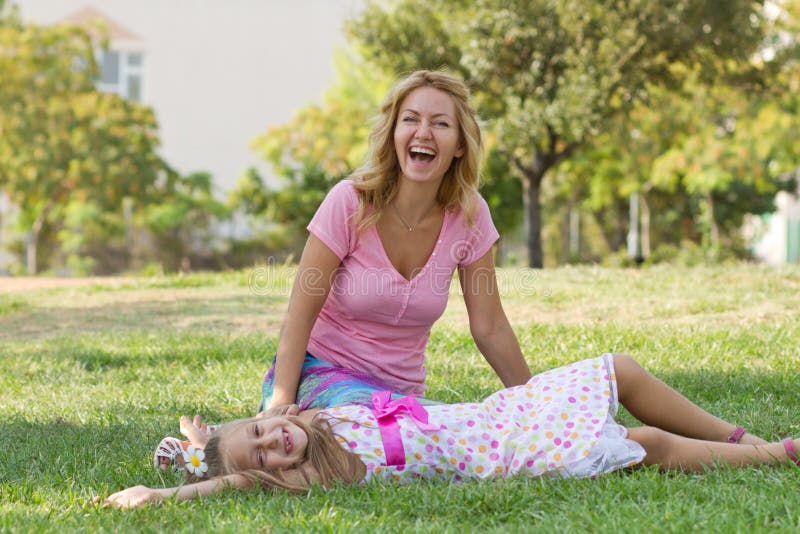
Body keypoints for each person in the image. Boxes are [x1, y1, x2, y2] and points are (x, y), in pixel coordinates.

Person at [102, 353, 800, 509]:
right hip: (509, 452)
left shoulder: (321, 416)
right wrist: (169, 493)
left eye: (262, 428)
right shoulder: (325, 472)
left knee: (620, 369)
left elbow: (235, 441)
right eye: (263, 455)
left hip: (501, 414)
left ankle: (736, 436)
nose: (271, 443)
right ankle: (776, 455)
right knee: (641, 447)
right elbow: (234, 479)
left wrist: (197, 440)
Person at [258, 69, 531, 412]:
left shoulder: (470, 216)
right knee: (369, 423)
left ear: (460, 145)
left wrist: (535, 404)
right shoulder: (349, 202)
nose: (423, 132)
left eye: (441, 124)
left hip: (398, 401)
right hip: (321, 377)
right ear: (393, 133)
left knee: (450, 428)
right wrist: (280, 405)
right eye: (411, 119)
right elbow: (300, 314)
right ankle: (225, 445)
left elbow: (490, 327)